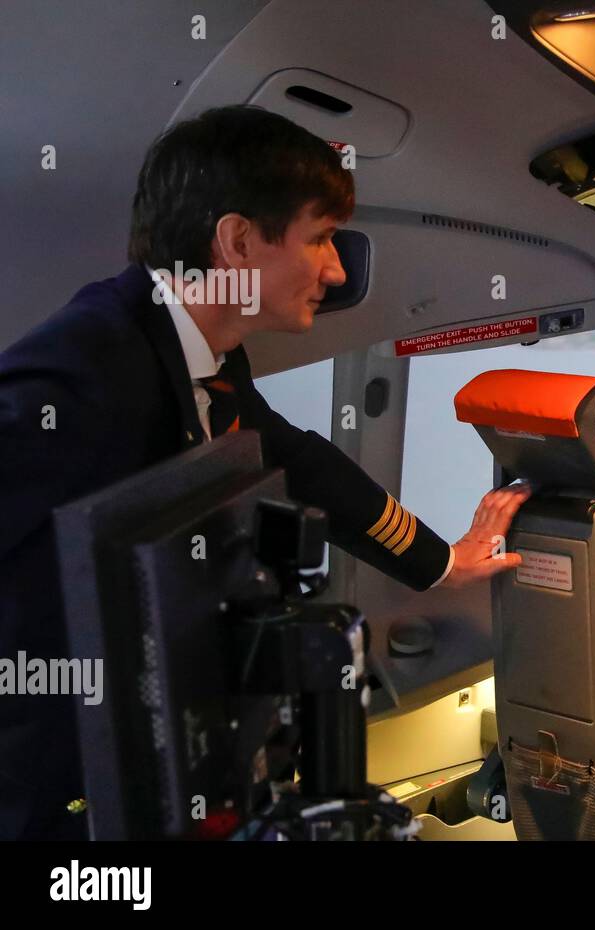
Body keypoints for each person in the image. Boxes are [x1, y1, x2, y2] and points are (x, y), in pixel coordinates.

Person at [0, 105, 528, 839]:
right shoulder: (87, 368)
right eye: (320, 238)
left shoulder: (207, 359)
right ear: (239, 241)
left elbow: (298, 461)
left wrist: (441, 562)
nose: (336, 269)